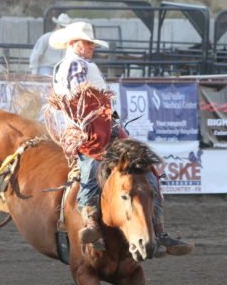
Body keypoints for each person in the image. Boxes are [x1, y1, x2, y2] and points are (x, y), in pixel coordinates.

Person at [47, 21, 191, 256]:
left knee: (114, 172)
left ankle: (110, 225)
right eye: (87, 42)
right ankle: (107, 224)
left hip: (101, 130)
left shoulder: (78, 64)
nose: (91, 46)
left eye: (92, 43)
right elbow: (79, 97)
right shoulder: (74, 65)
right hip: (91, 133)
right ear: (73, 43)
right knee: (98, 171)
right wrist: (98, 113)